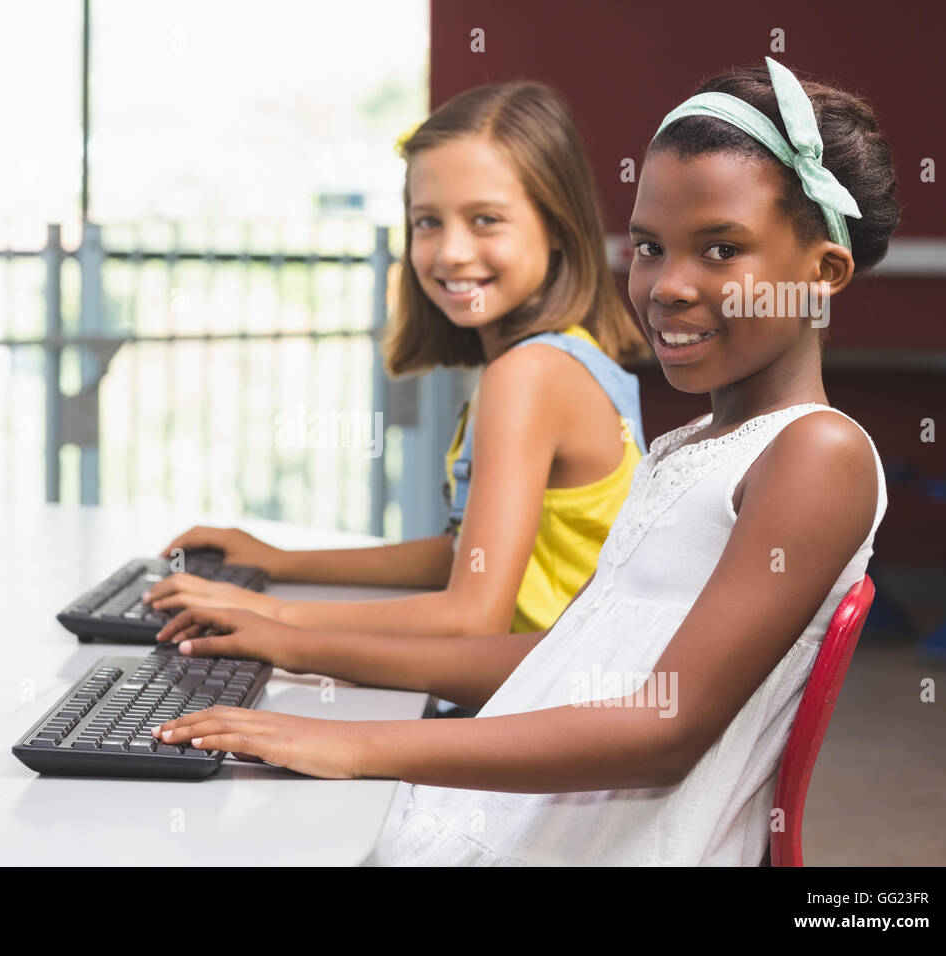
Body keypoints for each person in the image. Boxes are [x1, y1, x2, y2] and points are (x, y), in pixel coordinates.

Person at [149, 57, 899, 865]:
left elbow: (664, 727)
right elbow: (561, 654)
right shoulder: (688, 449)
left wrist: (356, 744)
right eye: (650, 247)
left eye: (720, 249)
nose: (668, 286)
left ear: (821, 276)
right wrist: (289, 646)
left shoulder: (817, 452)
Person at [145, 81, 648, 638]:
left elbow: (470, 620)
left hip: (525, 709)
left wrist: (270, 614)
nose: (451, 252)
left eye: (485, 219)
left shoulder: (528, 376)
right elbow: (467, 557)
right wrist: (280, 560)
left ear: (557, 226)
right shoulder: (563, 356)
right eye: (427, 222)